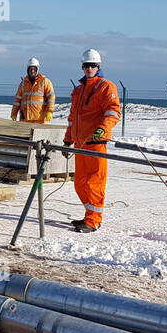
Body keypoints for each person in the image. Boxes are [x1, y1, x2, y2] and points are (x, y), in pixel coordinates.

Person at [63, 48, 120, 233]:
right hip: (80, 145)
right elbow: (73, 118)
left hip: (96, 144)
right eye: (86, 65)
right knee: (80, 183)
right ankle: (89, 214)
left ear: (98, 66)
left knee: (94, 183)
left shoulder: (106, 87)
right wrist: (67, 140)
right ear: (82, 67)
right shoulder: (79, 90)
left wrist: (102, 130)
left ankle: (93, 220)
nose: (89, 69)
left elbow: (113, 112)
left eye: (93, 66)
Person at [10, 57, 55, 122]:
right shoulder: (23, 83)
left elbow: (51, 97)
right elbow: (17, 100)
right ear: (27, 70)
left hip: (39, 120)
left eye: (34, 69)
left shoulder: (45, 82)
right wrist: (14, 113)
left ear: (37, 69)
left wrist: (50, 111)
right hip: (25, 119)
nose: (32, 71)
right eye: (30, 69)